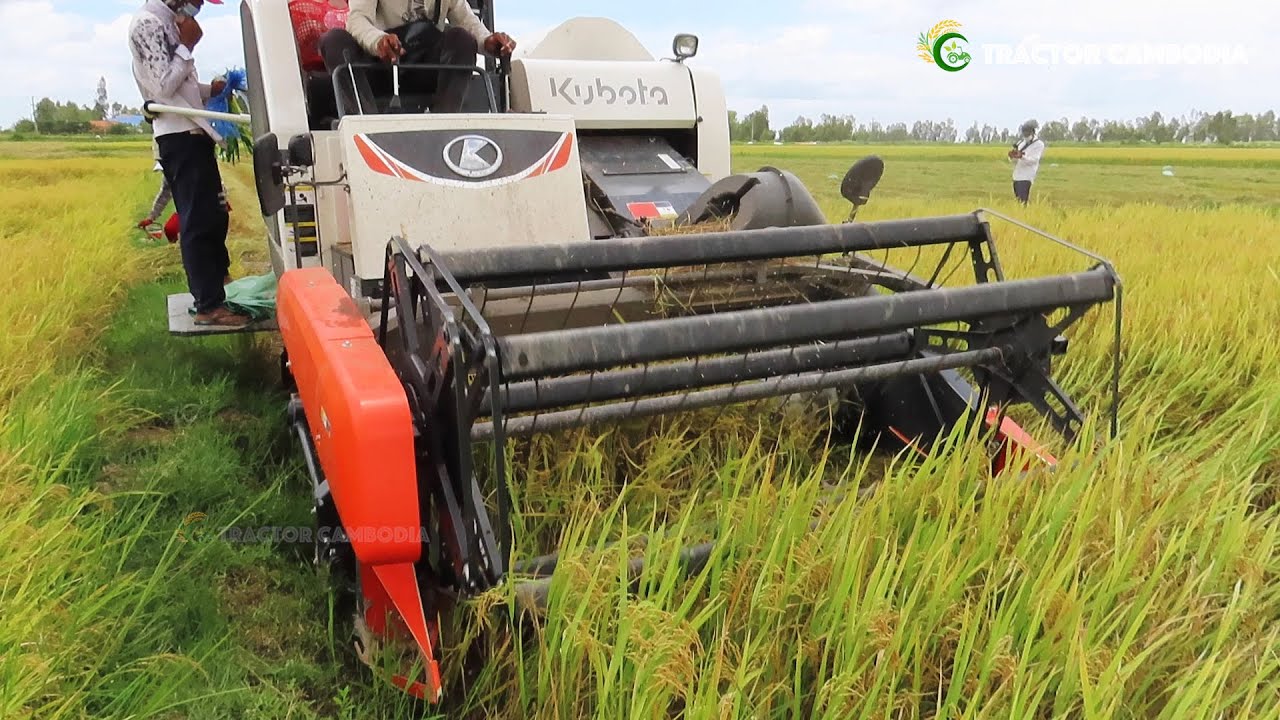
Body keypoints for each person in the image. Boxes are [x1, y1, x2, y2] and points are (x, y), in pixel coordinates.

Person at [129, 0, 251, 327]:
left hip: (193, 130)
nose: (199, 5)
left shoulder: (169, 21)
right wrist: (186, 47)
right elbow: (162, 86)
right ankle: (209, 306)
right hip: (179, 135)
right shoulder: (147, 24)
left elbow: (180, 88)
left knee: (213, 215)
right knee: (197, 221)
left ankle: (216, 287)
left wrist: (210, 88)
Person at [319, 0, 516, 116]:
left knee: (462, 39)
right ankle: (364, 127)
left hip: (423, 69)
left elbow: (466, 21)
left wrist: (488, 40)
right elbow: (357, 19)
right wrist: (378, 41)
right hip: (380, 67)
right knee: (333, 40)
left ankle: (445, 126)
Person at [1008, 119, 1045, 205]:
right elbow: (1015, 160)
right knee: (1018, 201)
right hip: (1017, 176)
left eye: (1027, 134)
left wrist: (1022, 156)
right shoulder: (1021, 143)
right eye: (1024, 134)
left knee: (1023, 201)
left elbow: (1035, 160)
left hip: (1027, 176)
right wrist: (1012, 156)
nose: (1025, 136)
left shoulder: (1039, 144)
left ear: (1032, 133)